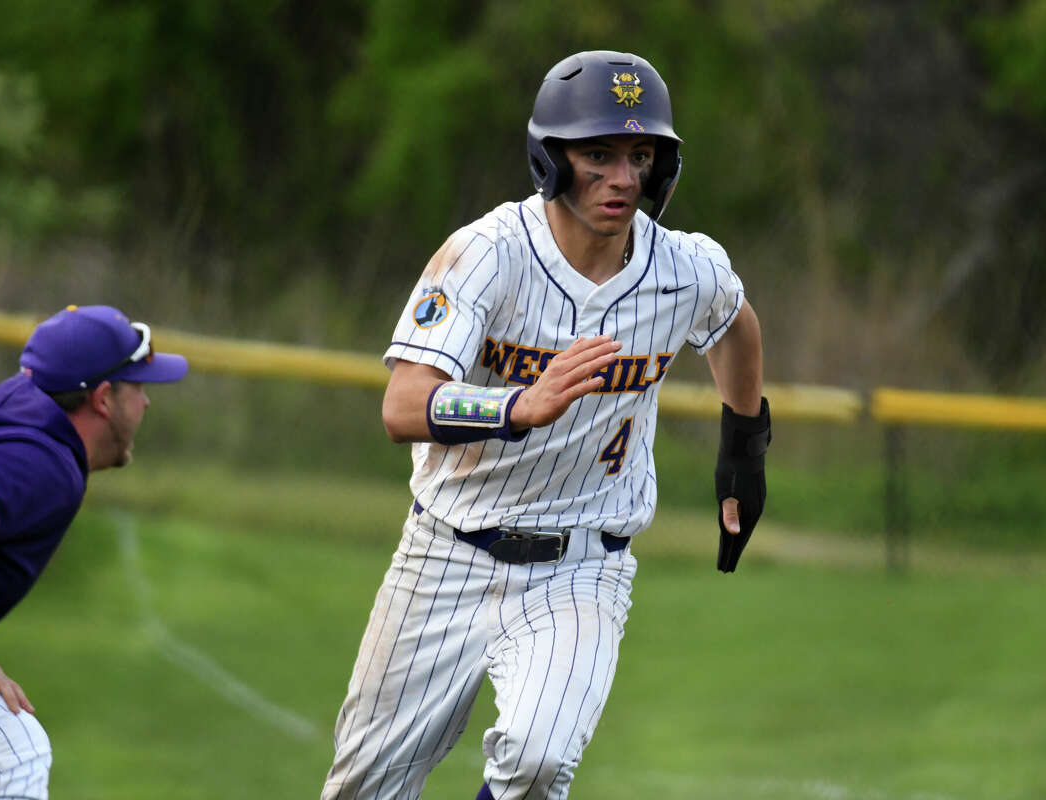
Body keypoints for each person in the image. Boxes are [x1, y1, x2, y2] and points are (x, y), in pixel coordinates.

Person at [320, 50, 770, 800]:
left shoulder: (681, 268)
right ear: (551, 158)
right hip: (445, 553)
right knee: (363, 788)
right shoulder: (488, 254)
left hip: (582, 566)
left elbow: (734, 327)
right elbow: (403, 406)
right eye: (598, 155)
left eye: (640, 154)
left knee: (537, 764)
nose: (623, 177)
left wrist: (744, 450)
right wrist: (512, 405)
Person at [0, 304, 188, 798]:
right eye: (138, 386)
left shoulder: (22, 408)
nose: (146, 403)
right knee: (12, 752)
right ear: (103, 399)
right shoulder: (46, 461)